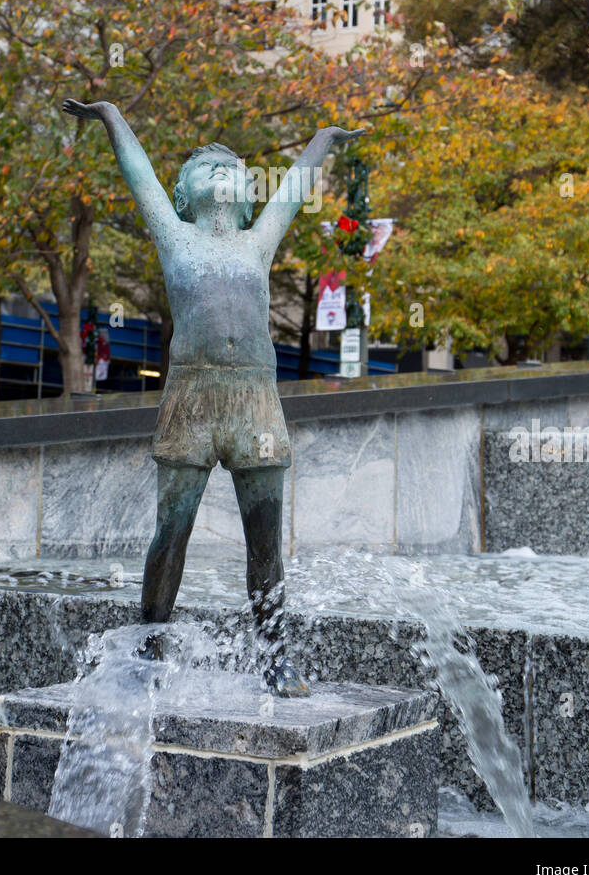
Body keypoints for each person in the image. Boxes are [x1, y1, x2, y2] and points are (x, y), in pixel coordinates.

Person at [62, 98, 363, 695]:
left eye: (231, 167)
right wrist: (111, 115)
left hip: (255, 396)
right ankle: (149, 643)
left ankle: (274, 652)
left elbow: (295, 189)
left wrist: (324, 137)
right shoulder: (175, 236)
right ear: (183, 194)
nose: (221, 170)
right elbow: (140, 174)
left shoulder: (258, 241)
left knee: (265, 544)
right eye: (206, 167)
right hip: (192, 394)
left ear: (249, 192)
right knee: (170, 532)